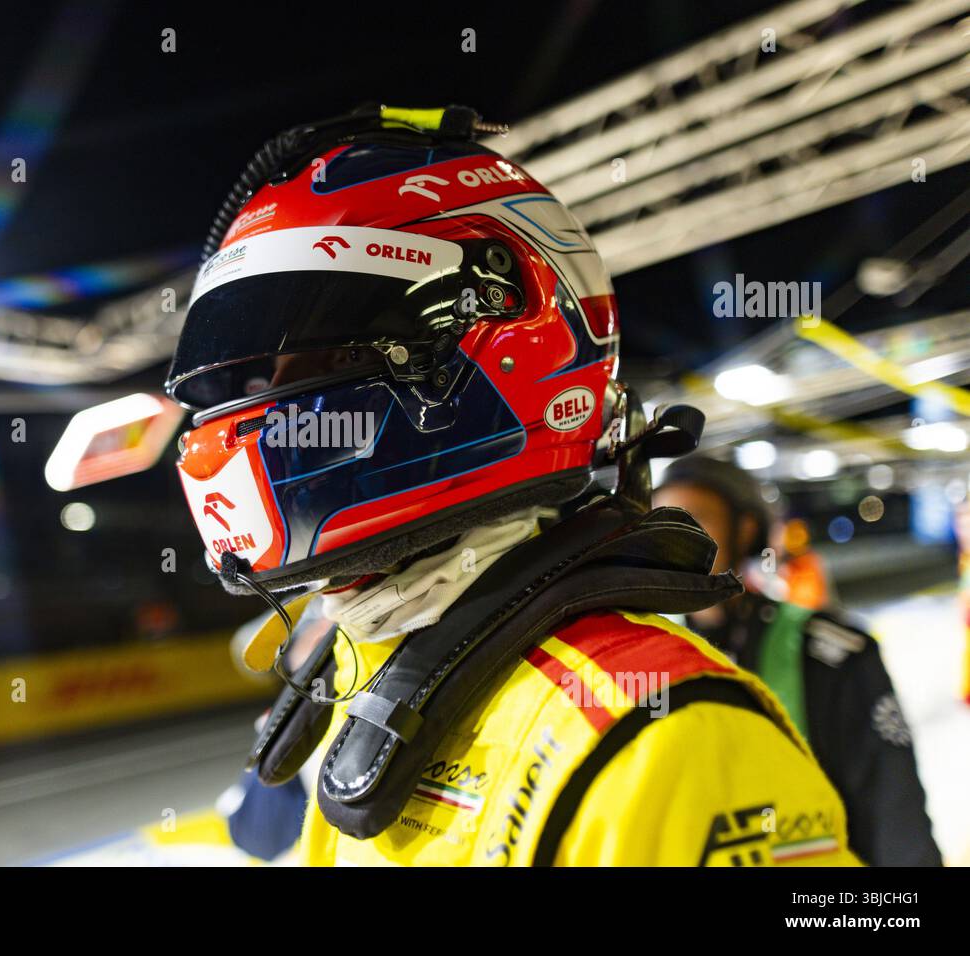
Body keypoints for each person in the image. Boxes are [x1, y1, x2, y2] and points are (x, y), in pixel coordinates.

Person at [166, 104, 858, 866]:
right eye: (266, 373)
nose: (268, 407)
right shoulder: (361, 669)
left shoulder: (671, 743)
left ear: (499, 336)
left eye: (324, 361)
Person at [655, 455, 941, 866]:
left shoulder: (835, 657)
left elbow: (895, 810)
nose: (678, 538)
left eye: (697, 518)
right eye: (664, 521)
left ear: (745, 529)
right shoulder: (651, 655)